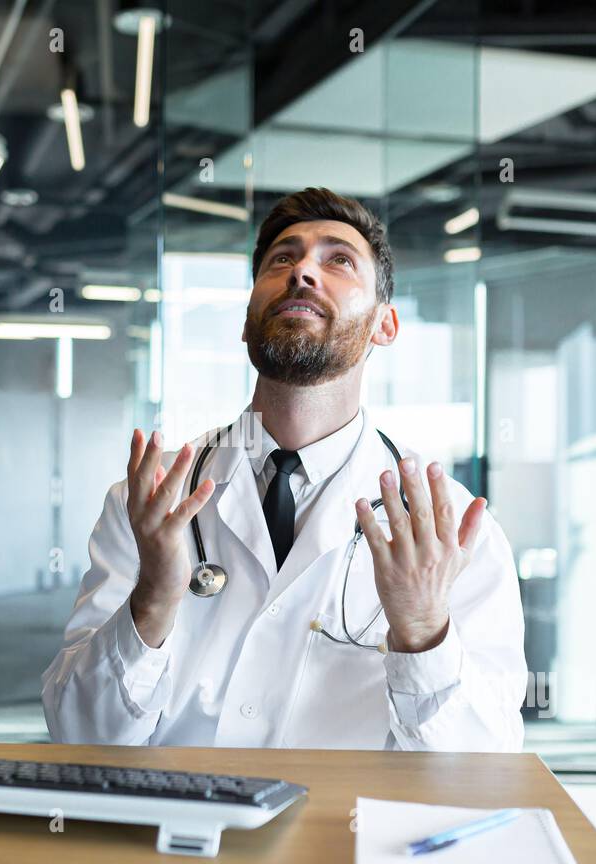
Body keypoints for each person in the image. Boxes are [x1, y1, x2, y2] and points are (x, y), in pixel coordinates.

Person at [42, 186, 527, 751]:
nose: (302, 272)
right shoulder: (147, 502)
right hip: (172, 832)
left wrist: (422, 630)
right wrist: (152, 596)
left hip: (341, 835)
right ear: (247, 322)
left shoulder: (452, 533)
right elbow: (81, 735)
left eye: (339, 260)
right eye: (282, 259)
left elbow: (484, 766)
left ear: (384, 325)